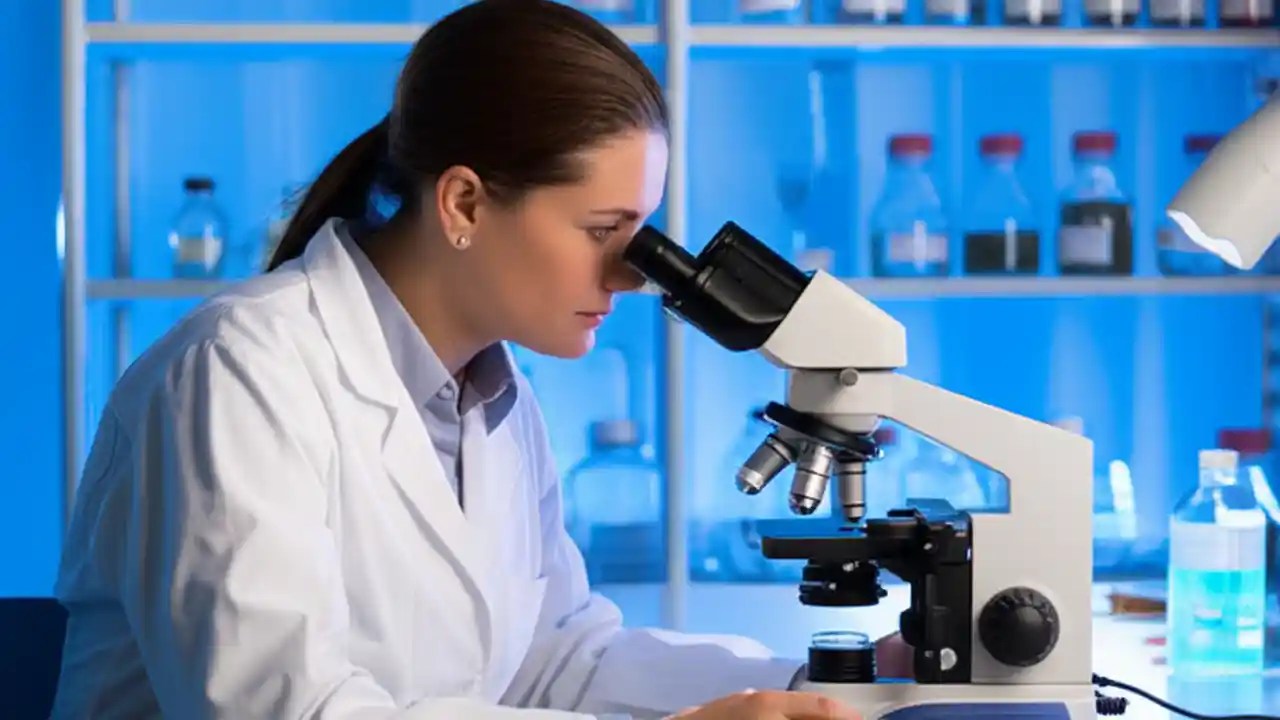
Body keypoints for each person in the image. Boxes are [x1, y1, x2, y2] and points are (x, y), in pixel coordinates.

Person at [51, 1, 908, 718]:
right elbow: (283, 709)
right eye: (603, 232)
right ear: (463, 201)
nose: (631, 275)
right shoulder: (236, 373)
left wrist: (823, 687)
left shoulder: (492, 398)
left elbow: (556, 661)